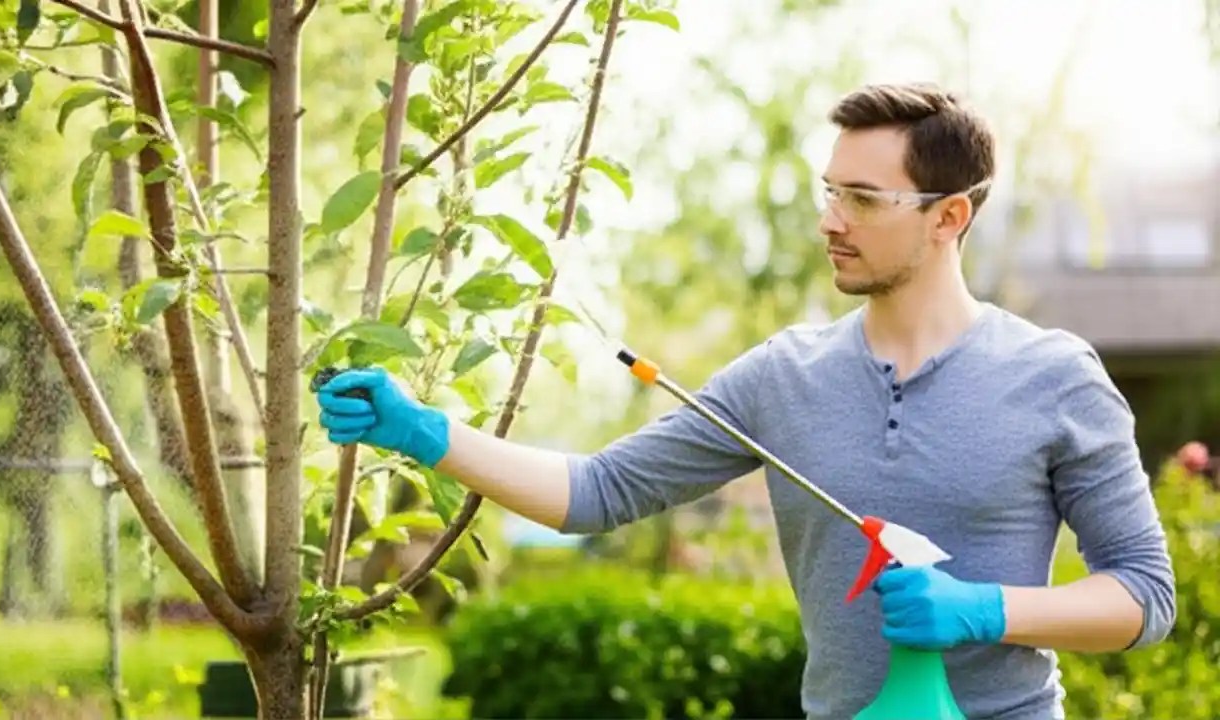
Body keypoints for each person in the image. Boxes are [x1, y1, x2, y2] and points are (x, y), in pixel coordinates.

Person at [314, 82, 1176, 719]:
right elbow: (595, 493)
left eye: (863, 199)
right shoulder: (781, 376)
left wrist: (987, 610)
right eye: (829, 191)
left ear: (949, 217)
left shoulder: (1056, 377)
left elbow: (1144, 598)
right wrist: (425, 432)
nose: (830, 220)